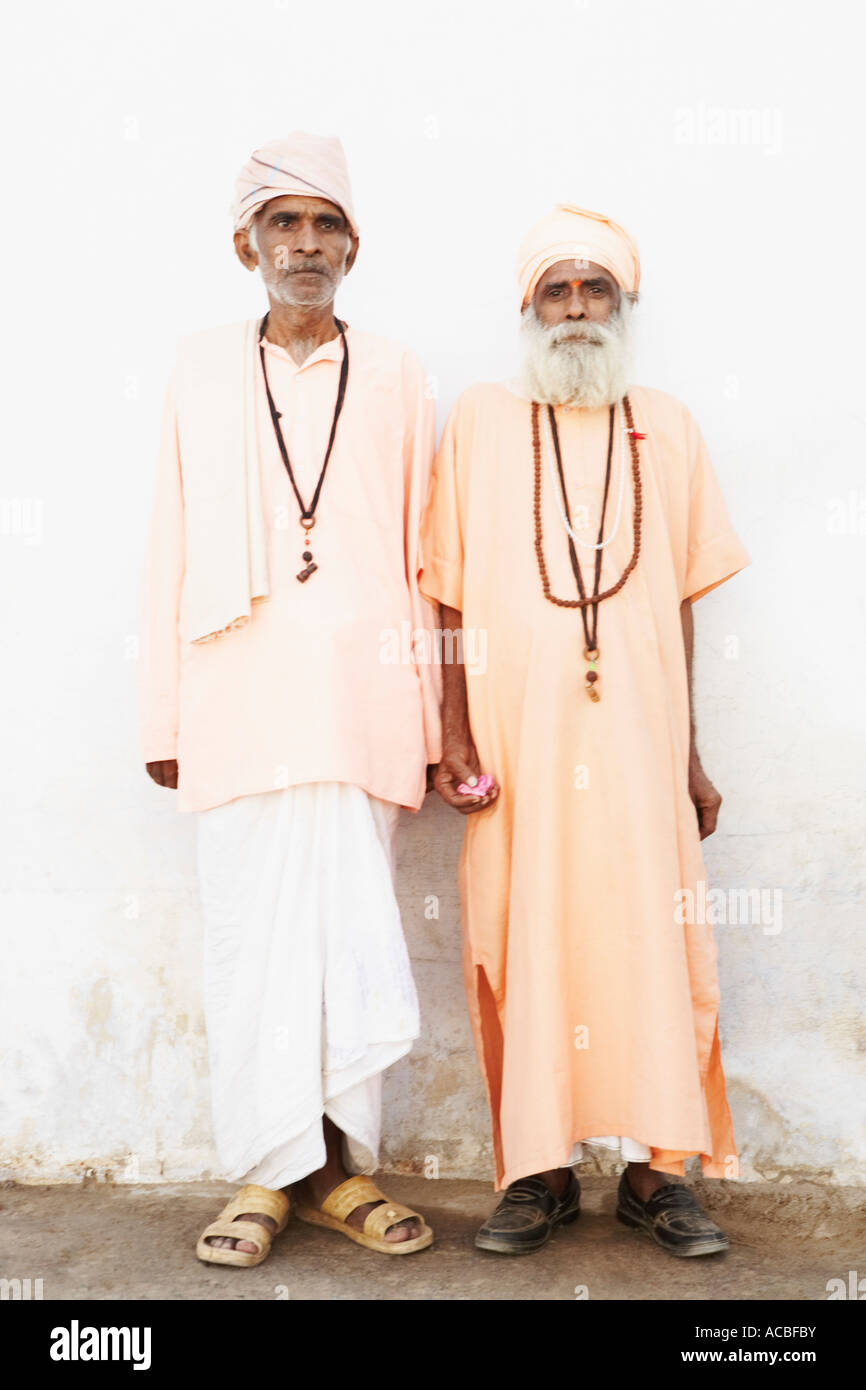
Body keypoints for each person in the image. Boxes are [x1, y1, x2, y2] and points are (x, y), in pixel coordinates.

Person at [419, 202, 750, 1257]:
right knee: (523, 941)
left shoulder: (668, 421)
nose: (574, 308)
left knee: (653, 945)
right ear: (526, 308)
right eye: (554, 290)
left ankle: (661, 1172)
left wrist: (688, 754)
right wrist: (453, 730)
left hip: (639, 748)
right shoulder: (477, 417)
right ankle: (537, 1172)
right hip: (517, 748)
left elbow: (678, 599)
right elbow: (447, 595)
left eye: (593, 289)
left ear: (622, 306)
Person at [139, 132, 440, 1265]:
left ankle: (339, 1175)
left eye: (325, 225)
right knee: (252, 943)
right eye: (283, 223)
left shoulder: (399, 370)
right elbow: (167, 539)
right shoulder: (199, 365)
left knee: (346, 944)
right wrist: (162, 712)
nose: (304, 244)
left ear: (352, 247)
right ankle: (267, 1176)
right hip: (233, 700)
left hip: (361, 706)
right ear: (245, 244)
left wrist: (424, 718)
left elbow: (422, 551)